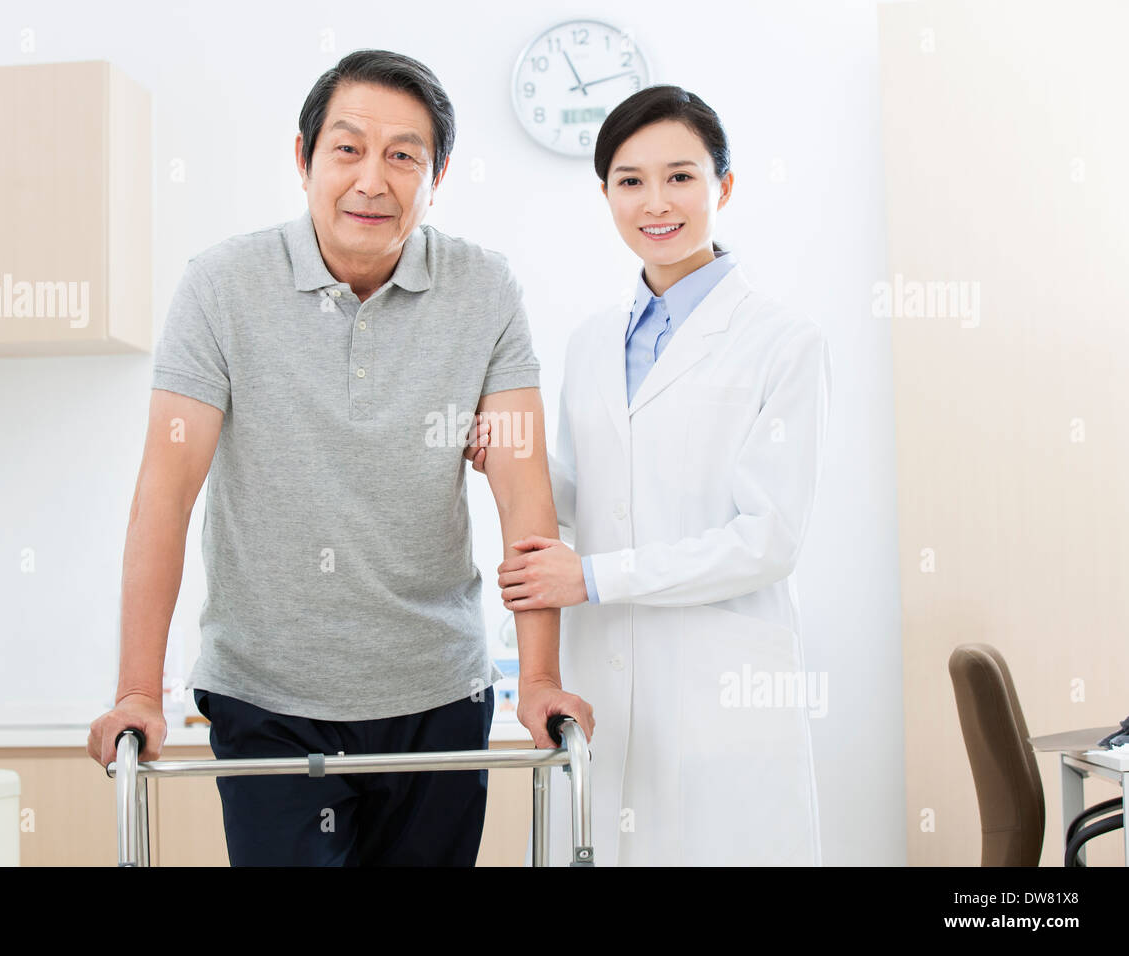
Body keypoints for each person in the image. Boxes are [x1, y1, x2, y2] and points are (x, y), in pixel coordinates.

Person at [87, 49, 593, 867]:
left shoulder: (485, 290)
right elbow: (165, 494)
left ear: (439, 175)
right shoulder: (221, 287)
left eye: (404, 155)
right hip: (267, 698)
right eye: (348, 148)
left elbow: (523, 497)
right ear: (304, 159)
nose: (372, 179)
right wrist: (139, 690)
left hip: (439, 693)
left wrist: (537, 679)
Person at [468, 85, 830, 866]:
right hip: (611, 683)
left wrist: (591, 577)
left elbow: (769, 541)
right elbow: (594, 491)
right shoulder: (593, 341)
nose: (655, 202)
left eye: (681, 177)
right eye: (630, 181)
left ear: (722, 187)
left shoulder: (783, 342)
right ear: (605, 195)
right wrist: (503, 451)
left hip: (721, 689)